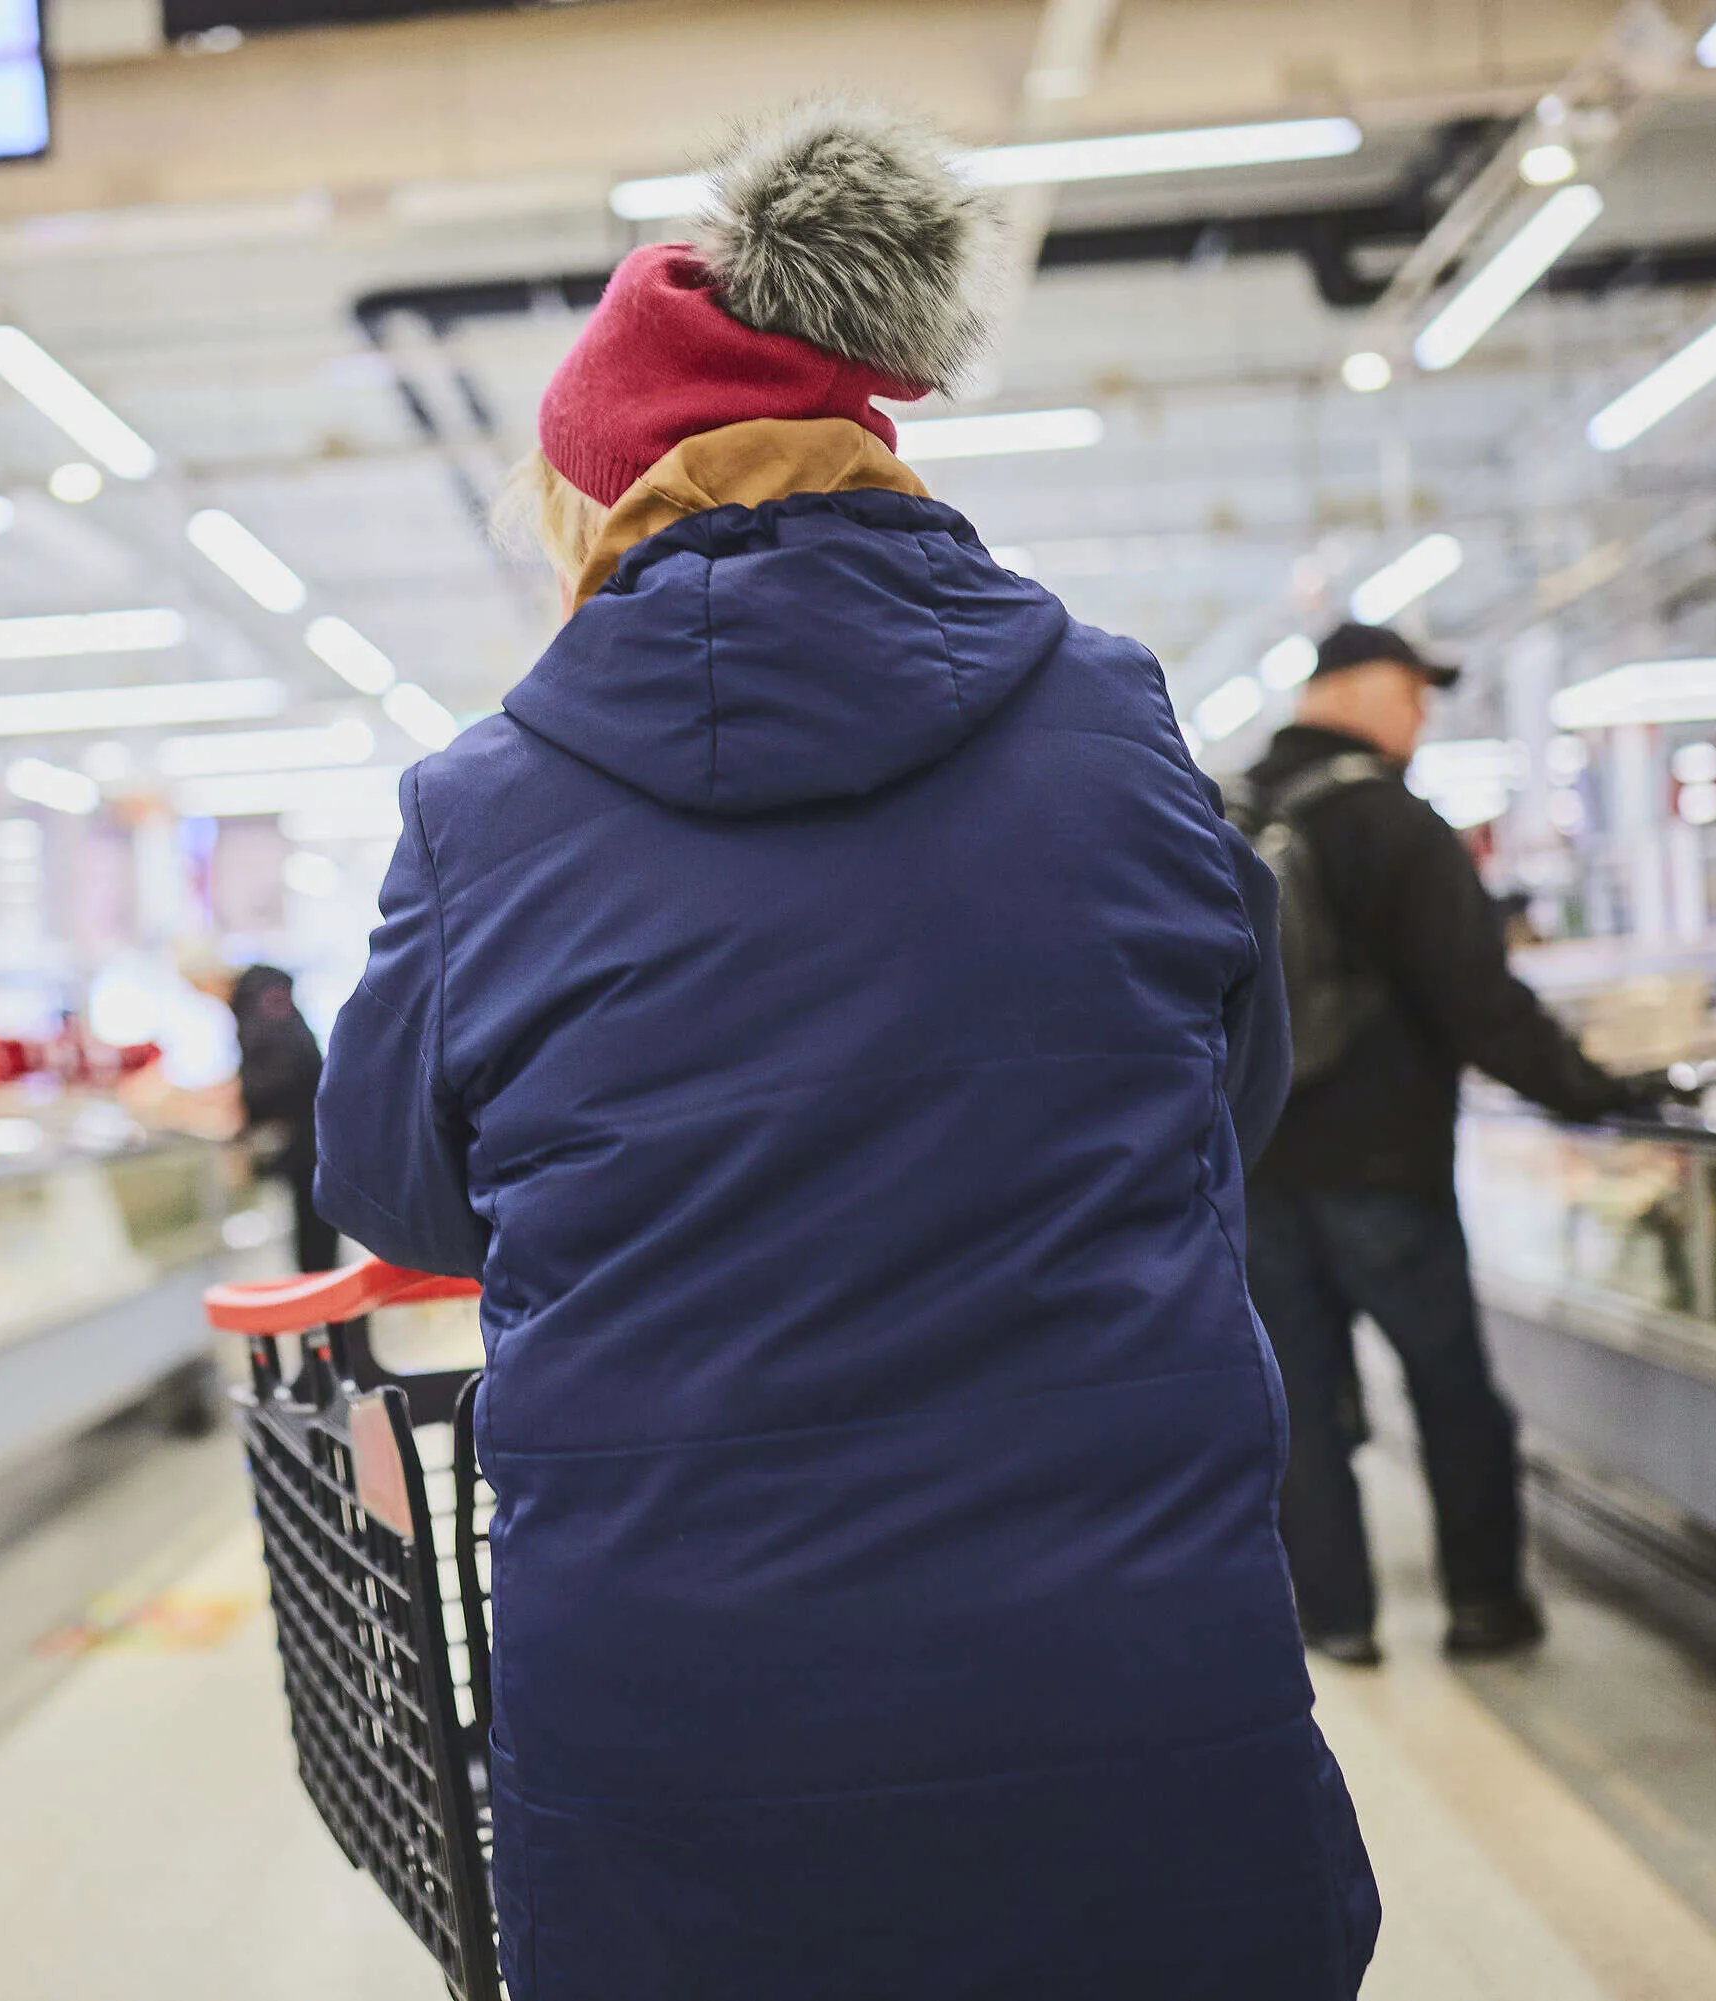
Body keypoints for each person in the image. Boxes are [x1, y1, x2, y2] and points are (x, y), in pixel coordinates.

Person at [315, 100, 1374, 2001]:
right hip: (1130, 1660)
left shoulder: (482, 809)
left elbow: (397, 1187)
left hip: (678, 1717)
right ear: (871, 444)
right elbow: (1232, 1093)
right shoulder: (1115, 720)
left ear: (597, 501)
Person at [1237, 621, 1649, 1666]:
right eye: (1414, 695)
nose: (1422, 717)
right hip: (1386, 1167)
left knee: (1304, 1413)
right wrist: (1588, 1092)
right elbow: (1476, 998)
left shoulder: (1221, 809)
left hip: (1259, 1165)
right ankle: (1482, 1606)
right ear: (1362, 690)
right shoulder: (1392, 821)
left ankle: (1332, 1617)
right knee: (1450, 1389)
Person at [188, 956, 334, 1273]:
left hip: (310, 1137)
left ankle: (327, 1315)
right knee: (314, 1240)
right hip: (310, 1134)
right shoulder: (257, 1001)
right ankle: (325, 1313)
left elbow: (292, 1067)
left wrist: (242, 1096)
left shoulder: (259, 1001)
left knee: (317, 1244)